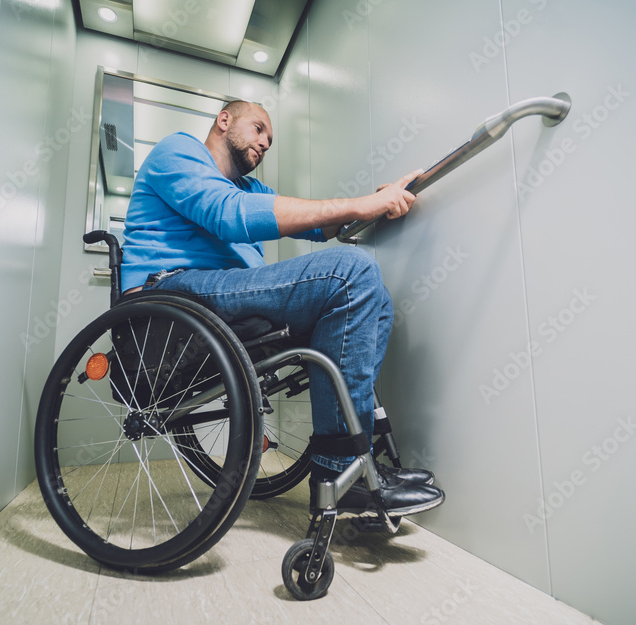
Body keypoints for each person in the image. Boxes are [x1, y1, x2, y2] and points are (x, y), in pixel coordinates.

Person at [121, 100, 444, 518]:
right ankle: (342, 469)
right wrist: (360, 204)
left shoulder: (251, 189)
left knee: (375, 300)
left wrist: (380, 200)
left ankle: (341, 469)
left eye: (269, 140)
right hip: (169, 290)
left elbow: (321, 224)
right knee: (351, 271)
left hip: (220, 296)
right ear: (224, 121)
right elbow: (228, 216)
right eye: (258, 130)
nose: (264, 143)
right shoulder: (178, 152)